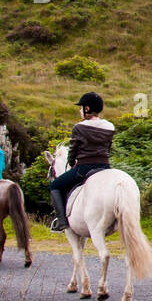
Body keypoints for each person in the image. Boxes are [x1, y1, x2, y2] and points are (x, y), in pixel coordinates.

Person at [49, 92, 113, 232]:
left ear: (87, 109)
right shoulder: (110, 126)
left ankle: (61, 221)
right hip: (105, 167)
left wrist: (71, 162)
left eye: (81, 107)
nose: (80, 110)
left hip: (84, 168)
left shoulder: (79, 127)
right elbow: (108, 148)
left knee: (55, 185)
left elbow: (73, 150)